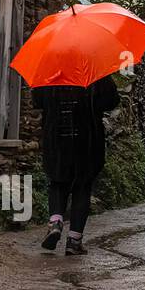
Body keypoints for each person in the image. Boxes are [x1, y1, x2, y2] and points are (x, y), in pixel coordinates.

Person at [31, 75, 120, 256]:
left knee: (57, 181)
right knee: (82, 185)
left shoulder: (50, 73)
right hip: (87, 138)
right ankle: (74, 240)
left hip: (56, 135)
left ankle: (55, 222)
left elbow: (37, 100)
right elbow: (111, 101)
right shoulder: (95, 72)